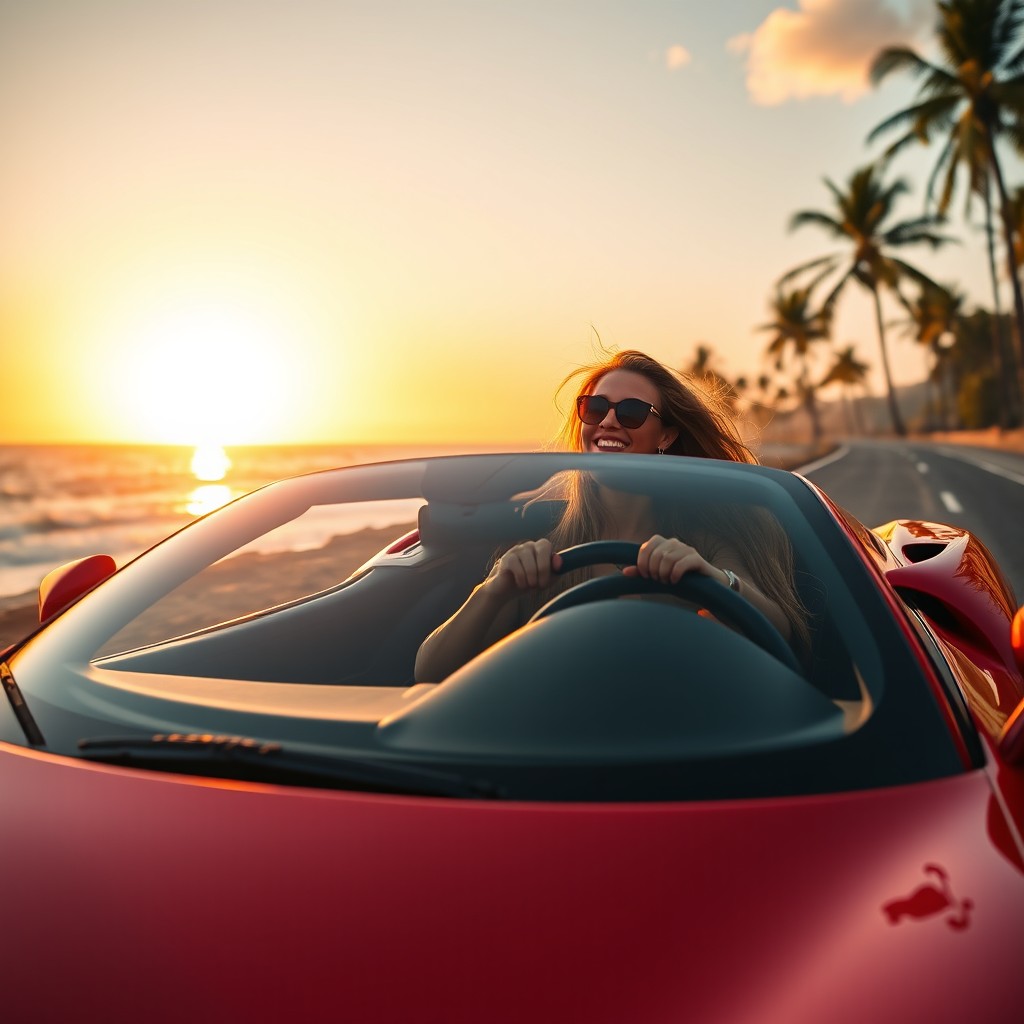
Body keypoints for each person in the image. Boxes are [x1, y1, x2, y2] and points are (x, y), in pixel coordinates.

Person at [414, 349, 810, 682]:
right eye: (595, 408)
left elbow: (779, 630)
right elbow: (429, 671)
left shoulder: (703, 544)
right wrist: (493, 590)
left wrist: (712, 579)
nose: (607, 421)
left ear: (667, 436)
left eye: (632, 412)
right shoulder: (546, 553)